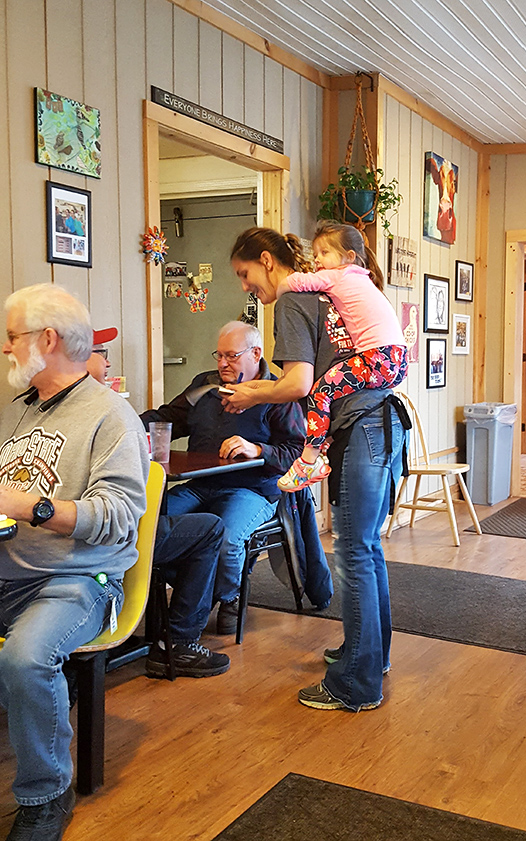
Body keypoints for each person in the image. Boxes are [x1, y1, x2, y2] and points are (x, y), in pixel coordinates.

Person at [228, 227, 409, 712]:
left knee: (354, 551)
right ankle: (368, 656)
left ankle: (356, 684)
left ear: (267, 261)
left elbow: (298, 383)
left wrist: (250, 395)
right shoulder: (325, 288)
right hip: (385, 421)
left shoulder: (291, 298)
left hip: (361, 425)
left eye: (245, 274)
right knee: (366, 549)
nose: (245, 286)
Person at [0, 284, 148, 840]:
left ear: (47, 339)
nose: (6, 348)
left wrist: (31, 506)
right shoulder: (16, 412)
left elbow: (118, 515)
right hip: (8, 570)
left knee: (26, 658)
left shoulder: (111, 416)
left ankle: (46, 795)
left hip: (77, 580)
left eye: (11, 336)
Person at [140, 321, 307, 635]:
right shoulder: (205, 386)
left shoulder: (279, 393)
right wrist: (124, 423)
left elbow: (296, 453)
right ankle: (193, 592)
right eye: (219, 355)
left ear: (255, 354)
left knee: (228, 539)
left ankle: (230, 596)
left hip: (253, 489)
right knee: (148, 521)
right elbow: (168, 417)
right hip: (200, 485)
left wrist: (257, 449)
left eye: (231, 356)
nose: (222, 363)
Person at [86, 330, 231, 678]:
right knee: (209, 529)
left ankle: (222, 602)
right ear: (75, 355)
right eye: (100, 352)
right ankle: (177, 643)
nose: (108, 362)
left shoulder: (34, 407)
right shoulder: (104, 407)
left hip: (247, 484)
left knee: (209, 526)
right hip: (104, 533)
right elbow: (168, 418)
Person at [274, 221, 407, 492]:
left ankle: (308, 461)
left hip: (377, 357)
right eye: (316, 254)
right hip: (396, 360)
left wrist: (278, 290)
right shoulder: (364, 280)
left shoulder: (339, 276)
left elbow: (297, 282)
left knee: (320, 391)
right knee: (333, 389)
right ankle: (321, 447)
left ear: (349, 257)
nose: (317, 260)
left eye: (324, 253)